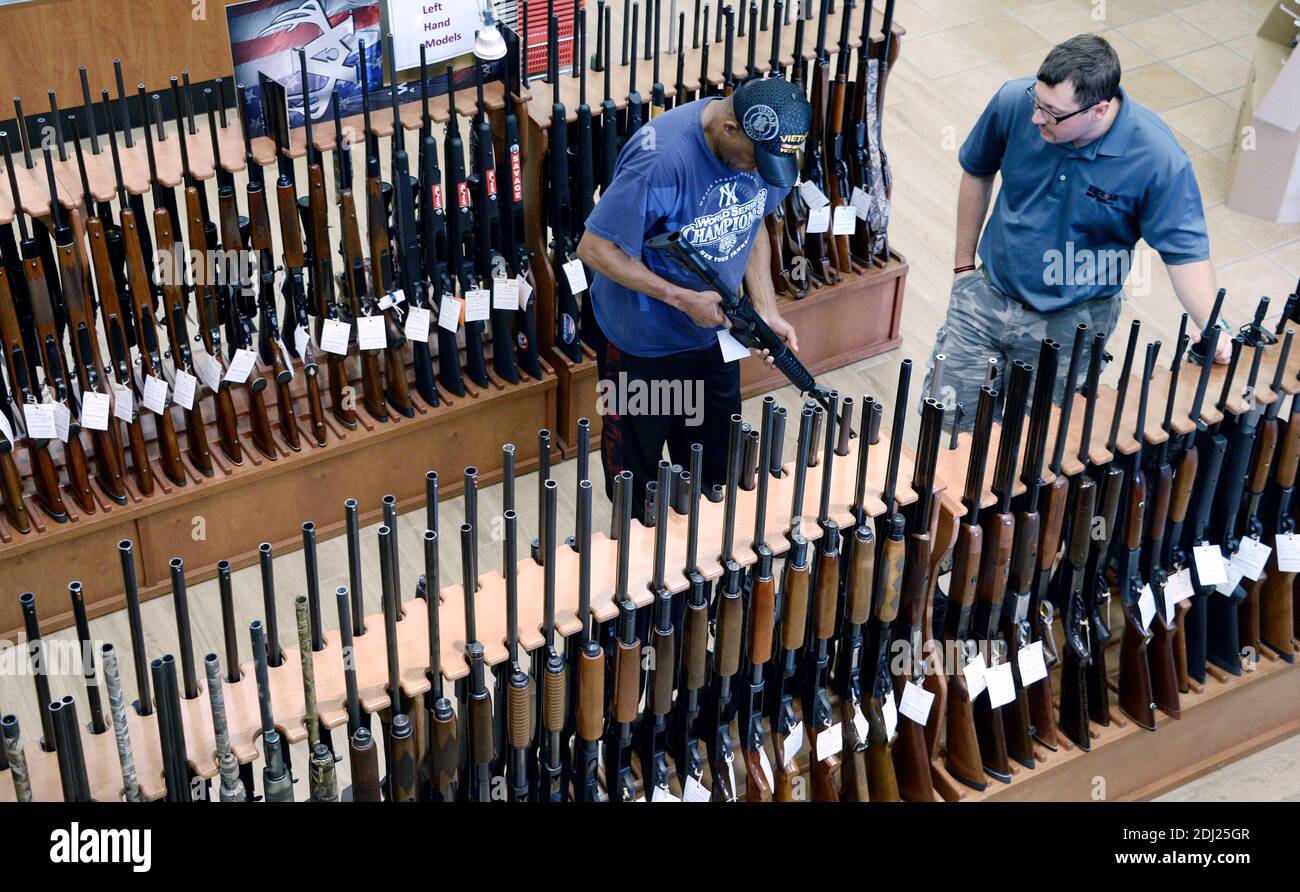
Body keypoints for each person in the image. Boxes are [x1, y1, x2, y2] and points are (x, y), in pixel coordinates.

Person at [926, 33, 1229, 429]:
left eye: (1052, 112)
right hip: (986, 297)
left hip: (1070, 325)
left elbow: (1184, 254)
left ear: (1099, 110)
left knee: (1033, 445)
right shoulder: (1014, 102)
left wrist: (1212, 326)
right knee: (947, 427)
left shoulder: (1158, 160)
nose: (1037, 117)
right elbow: (978, 171)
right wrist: (963, 269)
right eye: (1037, 100)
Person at [577, 77, 811, 519]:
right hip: (642, 343)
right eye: (754, 162)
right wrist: (682, 299)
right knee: (637, 486)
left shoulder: (764, 158)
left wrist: (766, 307)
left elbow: (752, 219)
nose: (759, 173)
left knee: (713, 473)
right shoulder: (660, 160)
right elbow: (594, 248)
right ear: (729, 129)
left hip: (714, 340)